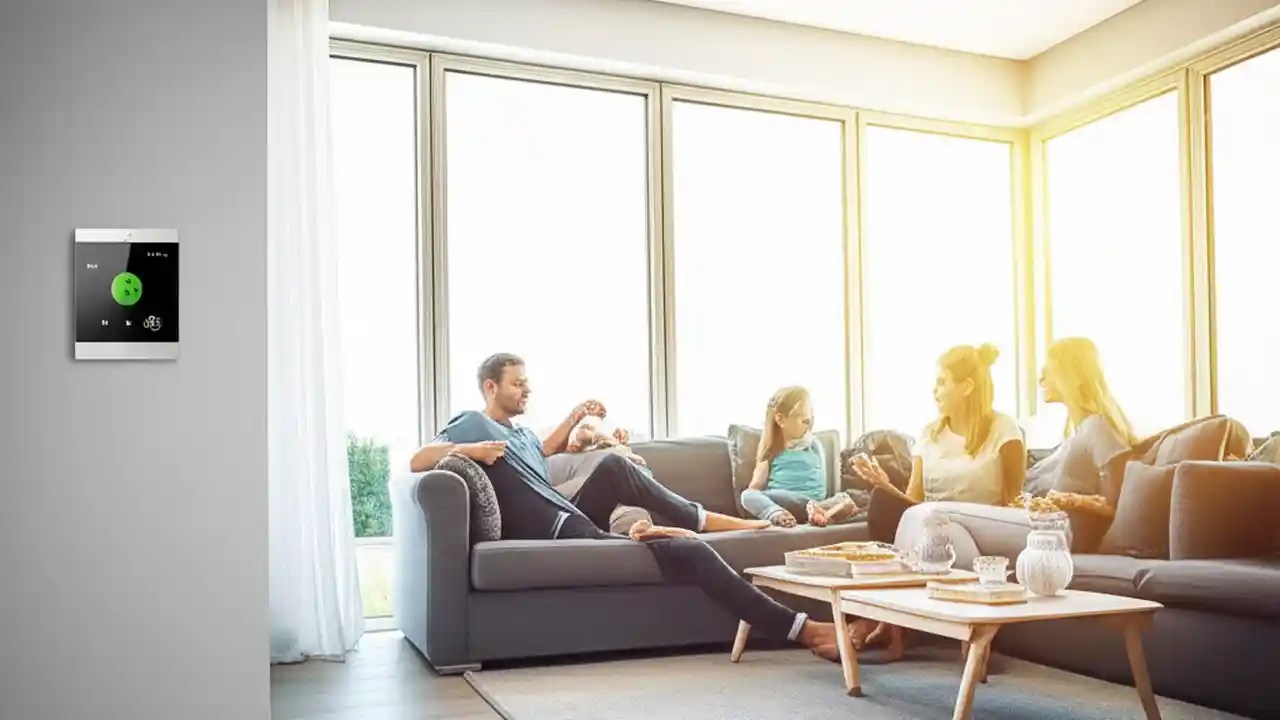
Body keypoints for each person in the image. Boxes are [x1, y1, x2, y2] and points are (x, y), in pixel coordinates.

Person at [409, 353, 852, 660]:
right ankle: (803, 629)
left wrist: (578, 418)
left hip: (569, 515)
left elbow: (545, 447)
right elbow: (418, 459)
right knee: (687, 550)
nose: (527, 389)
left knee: (615, 466)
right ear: (491, 387)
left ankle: (698, 518)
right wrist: (471, 450)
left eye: (527, 382)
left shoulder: (523, 436)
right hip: (552, 529)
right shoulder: (472, 423)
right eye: (517, 383)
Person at [854, 344, 1026, 544]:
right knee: (883, 502)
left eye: (942, 382)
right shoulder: (928, 436)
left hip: (986, 532)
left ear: (967, 387)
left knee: (942, 531)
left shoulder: (1004, 429)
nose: (934, 390)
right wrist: (884, 485)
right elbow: (913, 504)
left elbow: (1014, 502)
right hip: (932, 527)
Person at [741, 386, 858, 527]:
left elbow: (823, 483)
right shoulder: (770, 449)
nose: (808, 423)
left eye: (809, 418)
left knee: (843, 498)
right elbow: (755, 487)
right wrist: (759, 499)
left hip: (815, 503)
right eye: (802, 419)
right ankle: (777, 514)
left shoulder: (813, 444)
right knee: (747, 495)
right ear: (781, 420)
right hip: (784, 501)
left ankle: (818, 513)